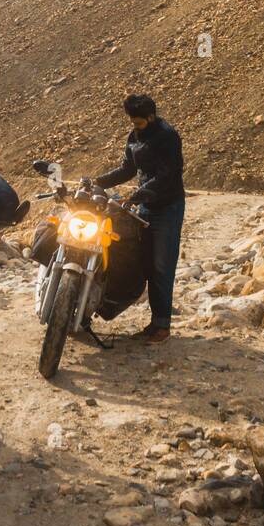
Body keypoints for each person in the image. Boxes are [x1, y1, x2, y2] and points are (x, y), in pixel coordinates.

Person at [93, 94, 185, 344]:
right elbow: (127, 169)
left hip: (167, 208)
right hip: (144, 206)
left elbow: (168, 176)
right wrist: (97, 182)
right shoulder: (135, 136)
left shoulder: (167, 136)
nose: (135, 126)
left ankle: (162, 326)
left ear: (151, 117)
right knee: (140, 262)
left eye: (139, 122)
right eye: (132, 122)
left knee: (161, 266)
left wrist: (135, 196)